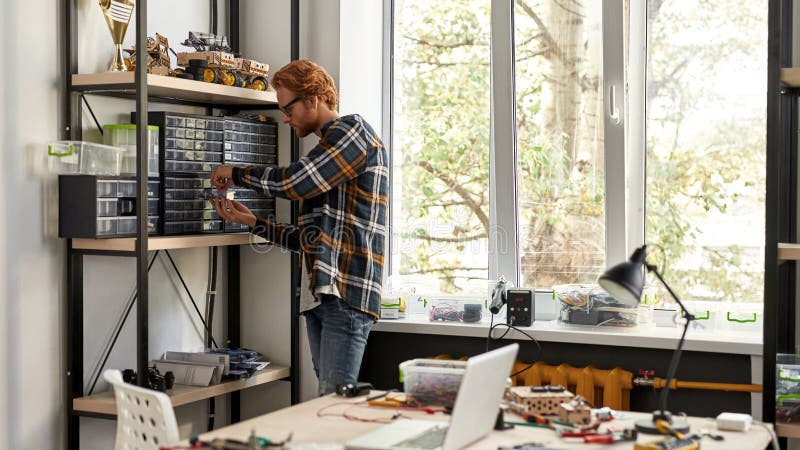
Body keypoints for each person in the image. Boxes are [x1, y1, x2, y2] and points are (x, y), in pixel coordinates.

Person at [209, 59, 388, 395]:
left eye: (287, 108)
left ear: (313, 98)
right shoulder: (328, 154)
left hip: (346, 296)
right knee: (325, 402)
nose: (285, 118)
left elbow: (295, 183)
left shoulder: (353, 134)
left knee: (332, 404)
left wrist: (235, 173)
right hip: (321, 296)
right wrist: (254, 223)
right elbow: (310, 239)